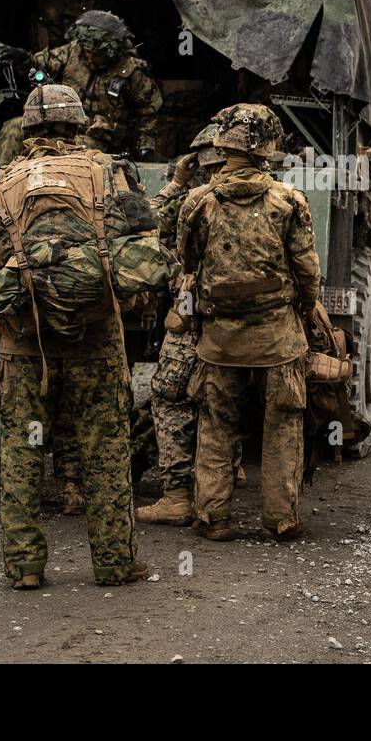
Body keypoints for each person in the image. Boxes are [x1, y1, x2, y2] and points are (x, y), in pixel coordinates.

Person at [0, 83, 148, 589]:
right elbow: (144, 255)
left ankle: (24, 568)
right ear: (80, 125)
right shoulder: (110, 174)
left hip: (22, 346)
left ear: (29, 129)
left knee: (20, 453)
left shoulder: (0, 184)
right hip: (97, 342)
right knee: (105, 453)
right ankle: (114, 563)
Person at [178, 104, 321, 541]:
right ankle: (281, 519)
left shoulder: (198, 201)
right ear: (269, 149)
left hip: (219, 340)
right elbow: (308, 271)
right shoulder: (290, 201)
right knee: (282, 426)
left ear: (222, 145)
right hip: (277, 339)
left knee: (217, 423)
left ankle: (213, 517)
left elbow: (188, 261)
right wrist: (304, 309)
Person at [138, 126, 232, 526]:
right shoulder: (276, 196)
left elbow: (149, 225)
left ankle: (177, 495)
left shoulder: (194, 201)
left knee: (169, 393)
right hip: (247, 323)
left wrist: (176, 182)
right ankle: (222, 491)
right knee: (226, 396)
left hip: (195, 317)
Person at [0, 9, 162, 160]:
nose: (90, 57)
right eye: (87, 51)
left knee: (64, 148)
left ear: (110, 50)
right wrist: (22, 59)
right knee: (13, 127)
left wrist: (145, 147)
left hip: (99, 136)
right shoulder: (73, 51)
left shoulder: (132, 70)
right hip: (61, 122)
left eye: (96, 54)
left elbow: (148, 112)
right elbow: (40, 67)